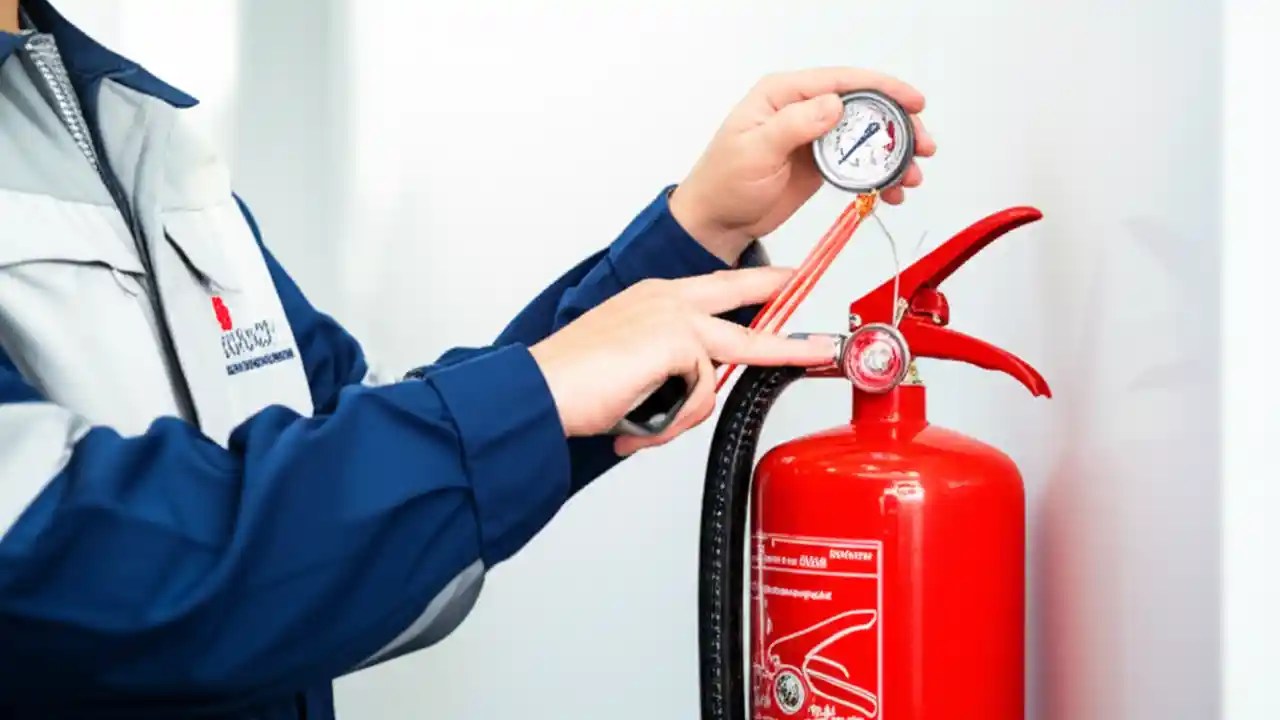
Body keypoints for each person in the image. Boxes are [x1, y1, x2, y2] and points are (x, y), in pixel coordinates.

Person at [0, 1, 934, 718]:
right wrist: (534, 394)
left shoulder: (138, 131)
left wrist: (697, 232)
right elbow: (87, 566)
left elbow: (347, 471)